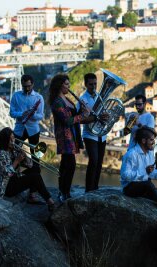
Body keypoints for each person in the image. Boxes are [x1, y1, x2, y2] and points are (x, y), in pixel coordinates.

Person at [48, 74, 96, 202]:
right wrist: (83, 115)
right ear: (60, 85)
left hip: (72, 135)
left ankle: (63, 191)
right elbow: (67, 120)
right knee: (70, 165)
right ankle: (64, 192)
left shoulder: (67, 99)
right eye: (67, 84)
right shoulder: (57, 101)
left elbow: (74, 116)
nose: (69, 87)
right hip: (65, 136)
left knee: (65, 164)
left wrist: (83, 111)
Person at [0, 127, 55, 211]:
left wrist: (25, 157)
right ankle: (50, 202)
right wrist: (17, 160)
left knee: (36, 168)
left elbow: (29, 165)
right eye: (10, 139)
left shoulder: (13, 150)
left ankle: (31, 196)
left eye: (13, 138)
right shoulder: (1, 154)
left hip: (15, 179)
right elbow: (7, 174)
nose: (13, 141)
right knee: (35, 177)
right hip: (7, 187)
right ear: (4, 141)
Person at [78, 73, 109, 192]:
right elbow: (79, 119)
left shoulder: (100, 97)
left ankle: (95, 188)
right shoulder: (82, 100)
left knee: (100, 163)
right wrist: (96, 117)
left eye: (95, 84)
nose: (94, 86)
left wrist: (108, 116)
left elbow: (105, 112)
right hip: (89, 134)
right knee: (94, 161)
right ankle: (88, 189)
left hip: (102, 134)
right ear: (85, 84)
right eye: (90, 84)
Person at [9, 74, 44, 173]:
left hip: (34, 130)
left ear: (33, 84)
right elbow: (11, 113)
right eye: (25, 86)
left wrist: (32, 115)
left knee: (36, 157)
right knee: (14, 154)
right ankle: (15, 178)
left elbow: (41, 115)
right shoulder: (16, 96)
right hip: (19, 129)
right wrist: (22, 114)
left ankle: (36, 181)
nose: (27, 88)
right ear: (22, 85)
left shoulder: (39, 98)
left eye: (29, 86)